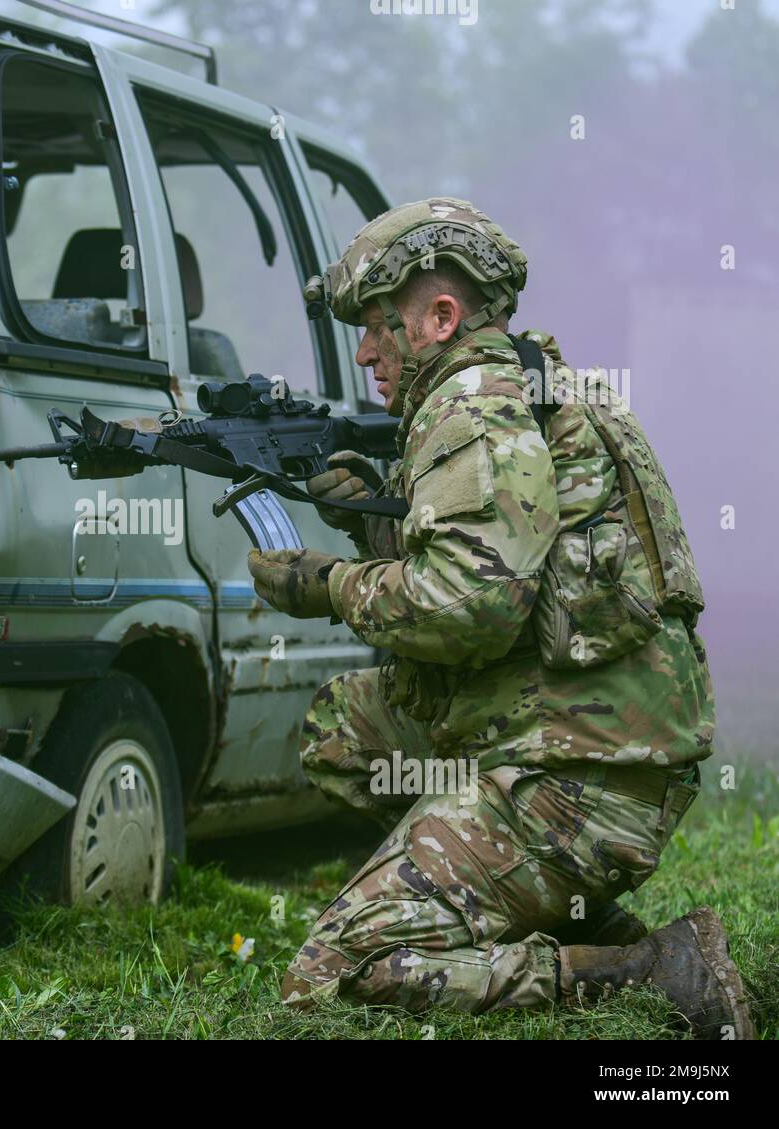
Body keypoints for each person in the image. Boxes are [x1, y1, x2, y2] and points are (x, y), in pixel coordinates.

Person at [246, 197, 754, 1038]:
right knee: (345, 730)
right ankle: (560, 912)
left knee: (334, 974)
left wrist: (327, 584)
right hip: (607, 743)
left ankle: (647, 970)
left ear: (441, 317)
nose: (366, 353)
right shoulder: (534, 384)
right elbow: (514, 569)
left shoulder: (472, 409)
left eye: (376, 327)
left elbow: (470, 609)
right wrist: (369, 521)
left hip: (579, 782)